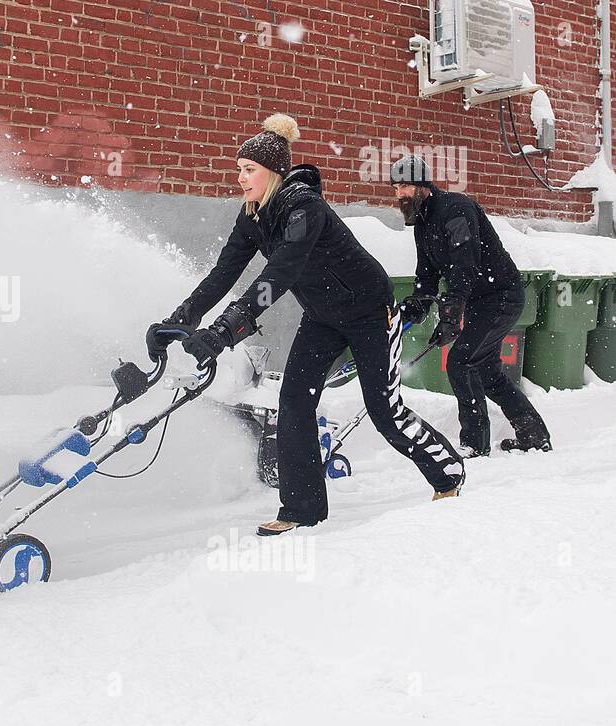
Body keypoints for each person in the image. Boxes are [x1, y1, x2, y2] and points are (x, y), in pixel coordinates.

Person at [147, 115, 464, 535]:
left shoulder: (304, 209)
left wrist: (226, 330)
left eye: (249, 170)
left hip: (370, 313)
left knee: (385, 411)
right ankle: (301, 509)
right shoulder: (252, 215)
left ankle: (448, 473)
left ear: (274, 173)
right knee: (294, 403)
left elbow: (278, 275)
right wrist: (180, 319)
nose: (241, 178)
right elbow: (224, 273)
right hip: (322, 318)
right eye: (239, 169)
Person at [390, 154, 551, 455]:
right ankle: (534, 436)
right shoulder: (422, 225)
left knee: (460, 361)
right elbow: (427, 273)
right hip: (480, 300)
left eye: (406, 187)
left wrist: (451, 313)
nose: (400, 195)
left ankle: (474, 446)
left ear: (424, 186)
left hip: (501, 295)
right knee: (487, 373)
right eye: (396, 188)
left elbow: (466, 264)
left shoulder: (455, 209)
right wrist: (418, 305)